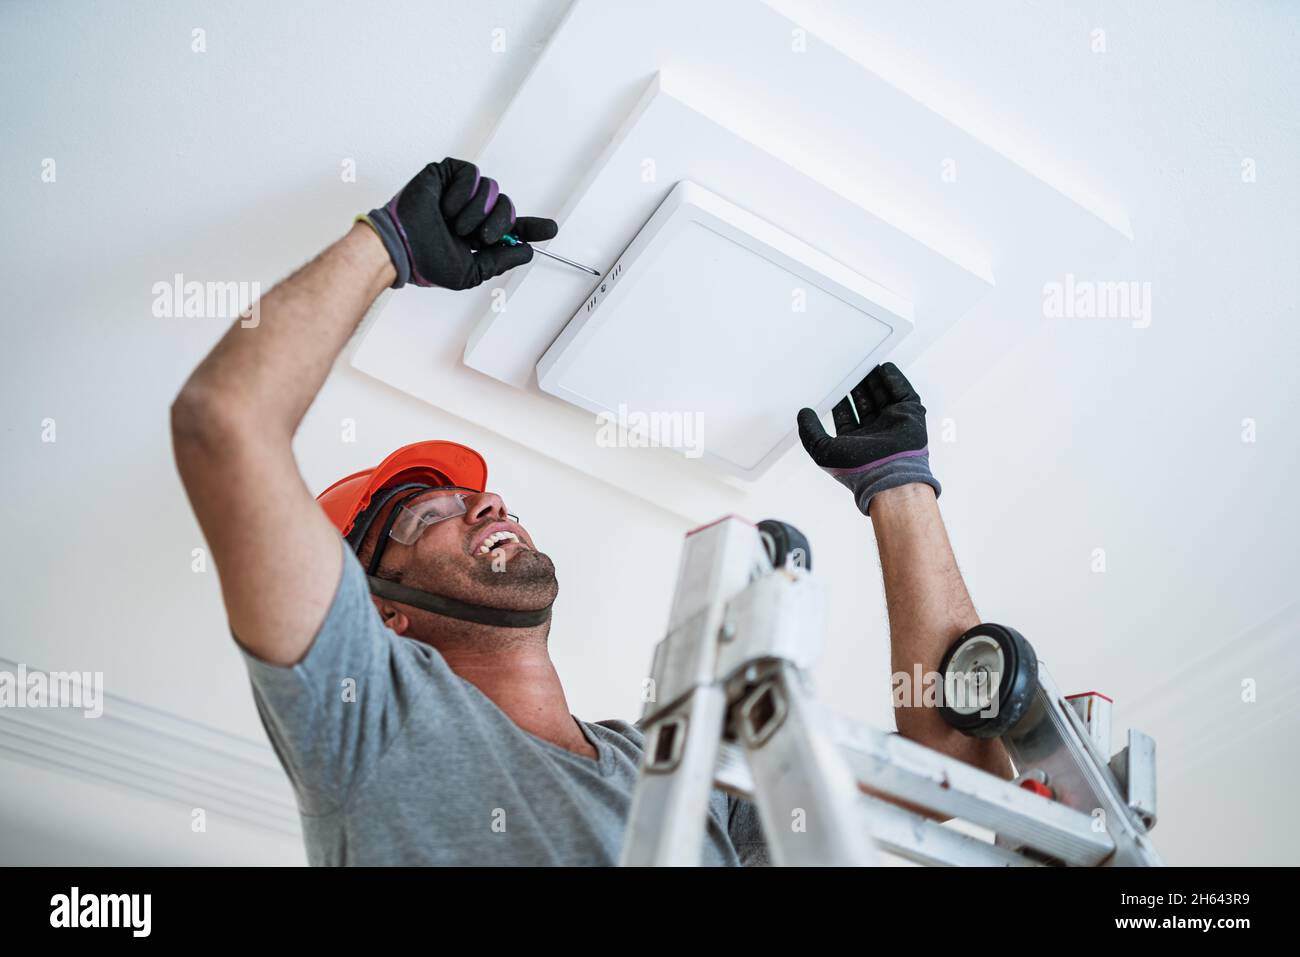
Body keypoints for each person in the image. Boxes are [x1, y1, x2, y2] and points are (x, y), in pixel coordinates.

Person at [170, 157, 1010, 866]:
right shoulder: (373, 721)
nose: (484, 502)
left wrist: (899, 491)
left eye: (478, 495)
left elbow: (958, 800)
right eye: (427, 514)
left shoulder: (679, 765)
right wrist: (387, 246)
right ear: (383, 611)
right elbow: (225, 424)